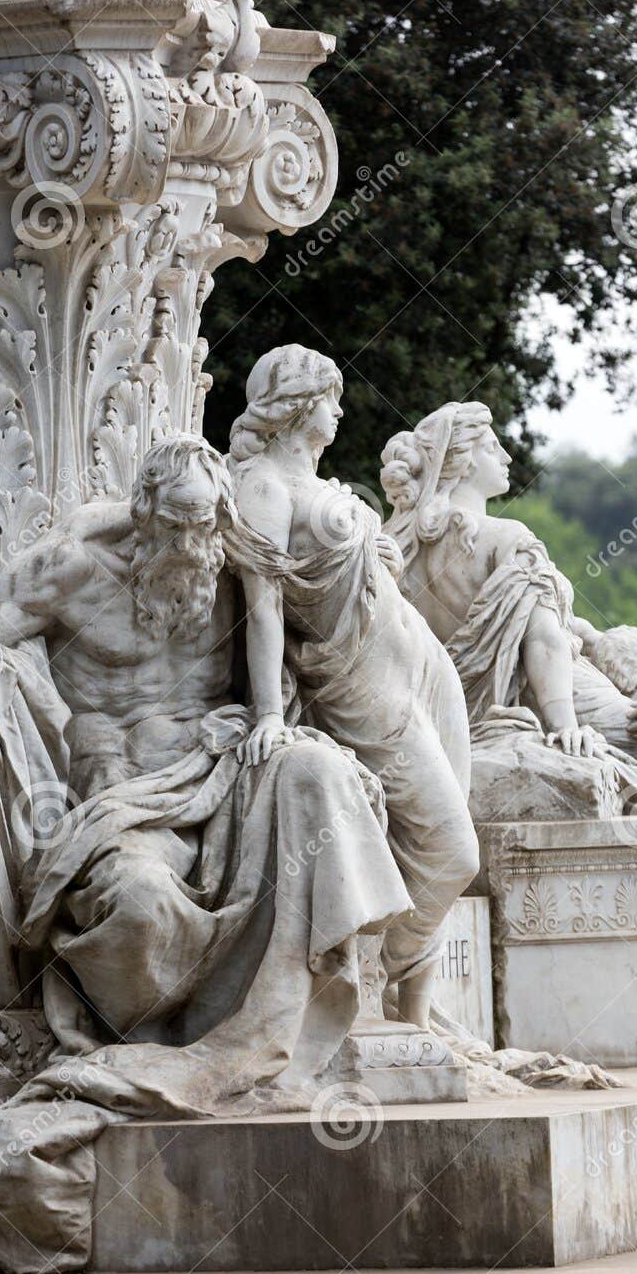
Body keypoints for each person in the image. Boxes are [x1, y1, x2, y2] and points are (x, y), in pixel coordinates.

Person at [0, 434, 412, 1271]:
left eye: (208, 531)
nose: (196, 550)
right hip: (111, 799)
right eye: (180, 530)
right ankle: (173, 1038)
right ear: (144, 514)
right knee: (140, 906)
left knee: (313, 768)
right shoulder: (74, 571)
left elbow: (297, 639)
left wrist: (273, 720)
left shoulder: (232, 570)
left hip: (214, 777)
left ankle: (269, 1015)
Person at [380, 401, 637, 1056]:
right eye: (494, 445)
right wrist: (566, 727)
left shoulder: (396, 550)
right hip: (549, 712)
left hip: (459, 721)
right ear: (461, 461)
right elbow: (543, 642)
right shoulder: (506, 539)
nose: (507, 457)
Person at [227, 346, 479, 1029]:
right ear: (296, 403)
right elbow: (263, 604)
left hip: (422, 669)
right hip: (363, 689)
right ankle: (379, 981)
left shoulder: (313, 480)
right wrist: (270, 711)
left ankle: (410, 1012)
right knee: (454, 852)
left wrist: (378, 557)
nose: (340, 410)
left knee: (439, 838)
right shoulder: (262, 485)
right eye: (330, 397)